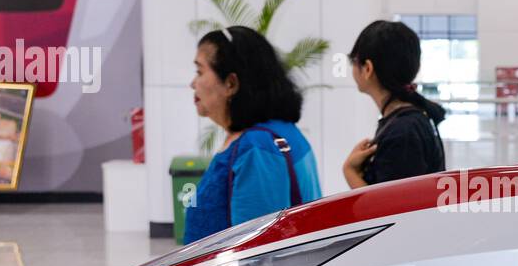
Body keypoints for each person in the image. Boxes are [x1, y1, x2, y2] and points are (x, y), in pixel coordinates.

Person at [183, 26, 321, 245]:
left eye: (200, 72)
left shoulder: (257, 148)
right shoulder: (275, 133)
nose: (192, 83)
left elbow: (253, 252)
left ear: (231, 84)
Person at [341, 20, 446, 189]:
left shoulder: (403, 132)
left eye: (353, 61)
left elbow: (389, 212)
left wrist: (350, 172)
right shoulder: (407, 121)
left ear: (367, 68)